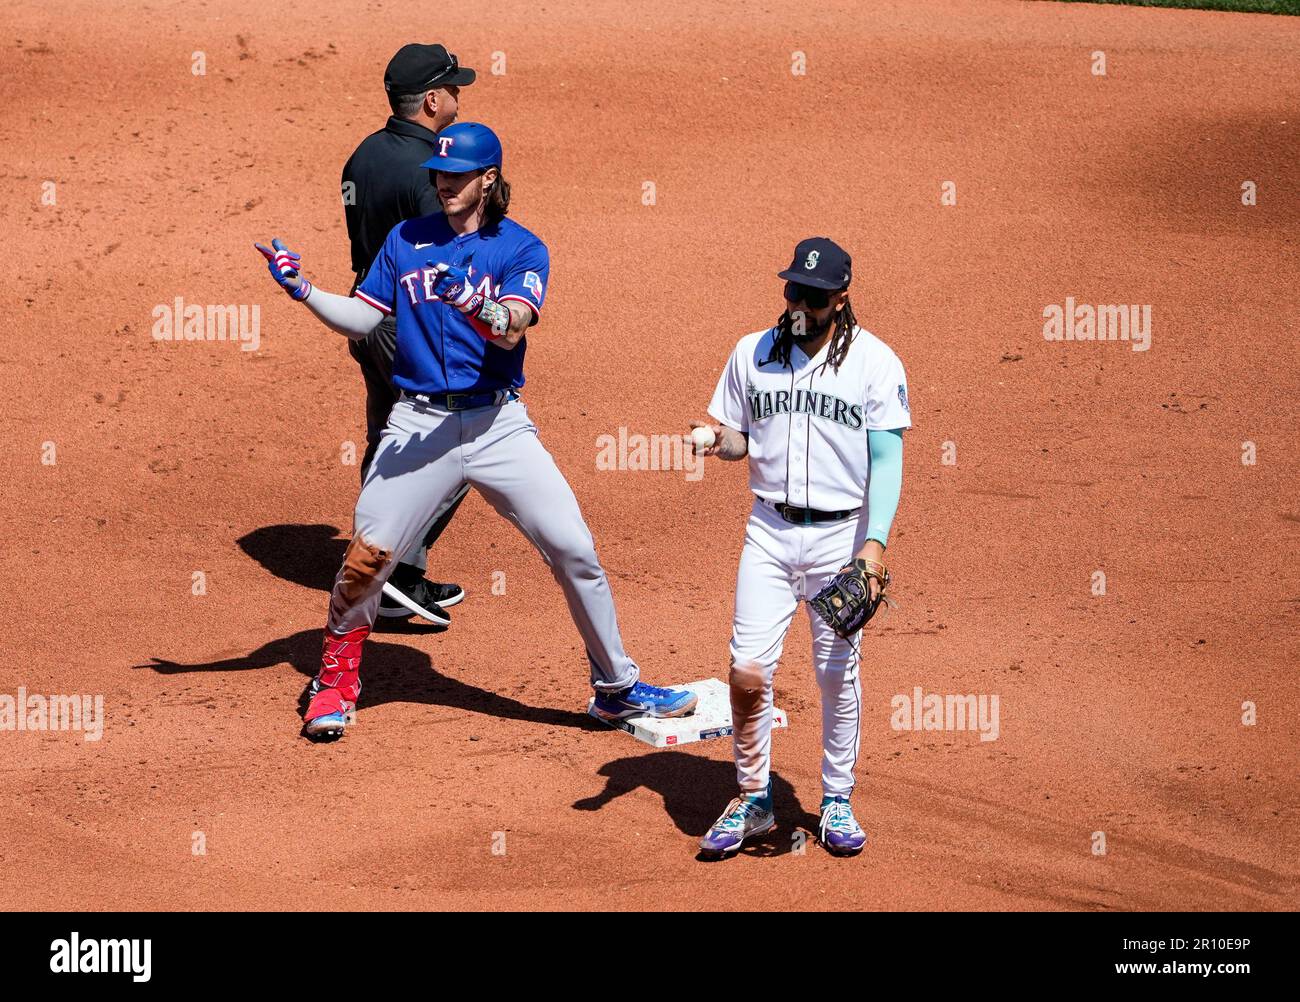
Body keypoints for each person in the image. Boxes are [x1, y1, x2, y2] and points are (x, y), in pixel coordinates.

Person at [255, 122, 697, 740]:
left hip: (496, 424)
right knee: (366, 559)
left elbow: (513, 326)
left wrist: (471, 302)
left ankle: (615, 688)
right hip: (417, 423)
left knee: (574, 548)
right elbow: (363, 317)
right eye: (438, 175)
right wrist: (305, 291)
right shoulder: (405, 240)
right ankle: (334, 685)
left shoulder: (520, 249)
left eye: (456, 176)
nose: (443, 185)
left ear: (487, 179)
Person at [690, 237, 910, 858]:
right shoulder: (751, 352)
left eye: (814, 296)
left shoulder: (874, 362)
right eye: (792, 290)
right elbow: (741, 440)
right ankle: (753, 797)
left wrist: (874, 545)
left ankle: (836, 797)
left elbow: (888, 460)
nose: (800, 303)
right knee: (747, 670)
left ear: (841, 298)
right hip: (768, 531)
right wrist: (716, 440)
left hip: (841, 537)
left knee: (836, 673)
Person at [340, 42, 477, 625]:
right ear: (430, 100)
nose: (459, 95)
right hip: (410, 323)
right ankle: (392, 572)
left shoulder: (363, 156)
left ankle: (385, 561)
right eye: (453, 87)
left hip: (367, 316)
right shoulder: (429, 173)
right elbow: (444, 258)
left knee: (388, 438)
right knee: (461, 441)